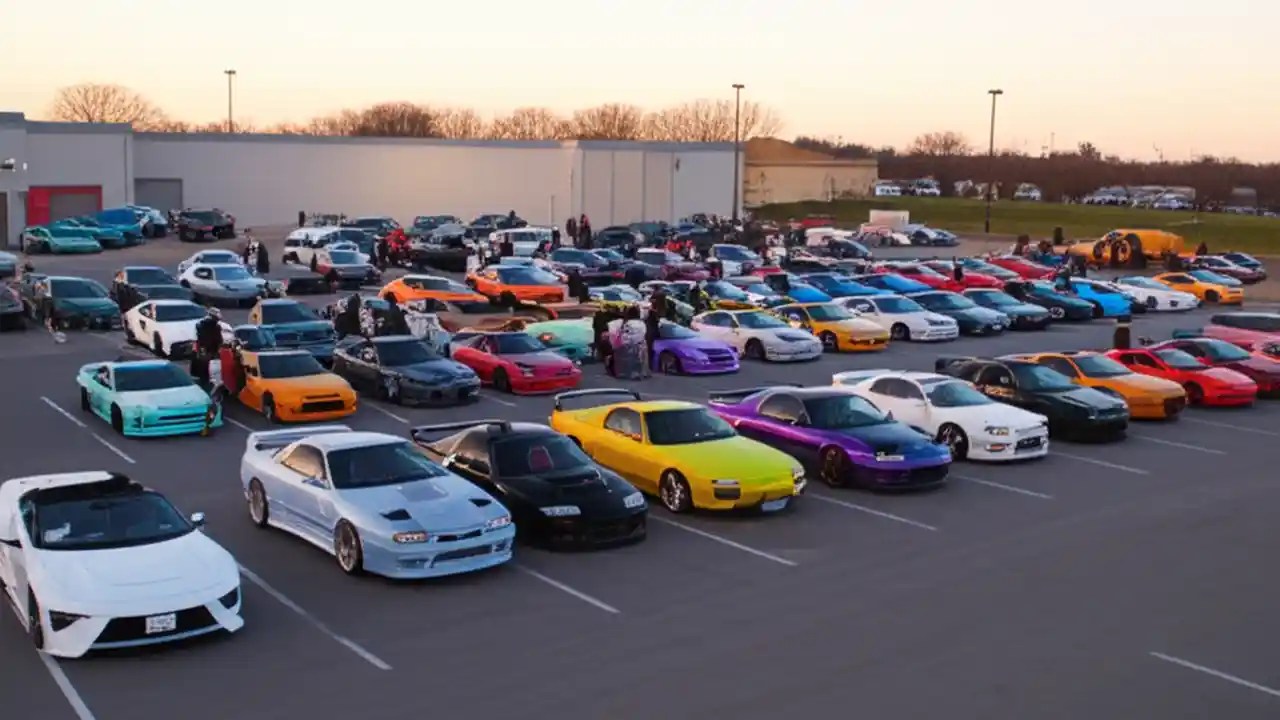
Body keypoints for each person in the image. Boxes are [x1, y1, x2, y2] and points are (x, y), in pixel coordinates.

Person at [192, 308, 222, 389]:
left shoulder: (200, 324)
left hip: (203, 348)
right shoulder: (215, 326)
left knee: (204, 364)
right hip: (207, 348)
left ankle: (203, 380)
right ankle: (204, 382)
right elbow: (218, 339)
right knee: (205, 364)